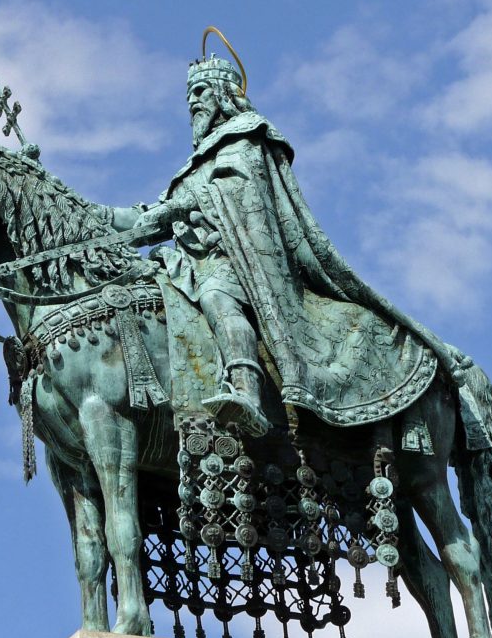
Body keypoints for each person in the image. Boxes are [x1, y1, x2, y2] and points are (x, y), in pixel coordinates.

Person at [109, 35, 471, 437]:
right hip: (188, 263)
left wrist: (178, 207)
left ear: (224, 94)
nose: (192, 102)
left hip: (237, 261)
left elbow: (237, 192)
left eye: (199, 91)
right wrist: (96, 216)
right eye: (188, 96)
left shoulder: (246, 137)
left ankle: (245, 392)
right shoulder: (196, 162)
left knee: (216, 297)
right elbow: (150, 213)